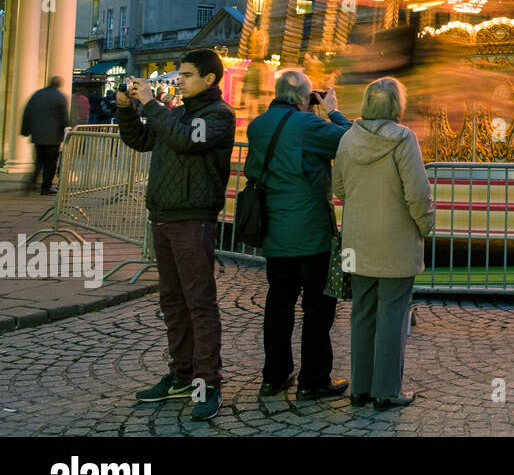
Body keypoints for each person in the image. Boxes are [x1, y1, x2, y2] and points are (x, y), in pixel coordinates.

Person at [120, 49, 235, 423]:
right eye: (179, 75)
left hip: (193, 218)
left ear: (209, 79)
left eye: (186, 75)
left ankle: (208, 383)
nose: (179, 80)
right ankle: (181, 376)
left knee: (198, 301)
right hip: (164, 216)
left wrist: (152, 104)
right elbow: (141, 140)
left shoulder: (217, 116)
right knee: (172, 301)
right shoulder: (179, 112)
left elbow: (186, 140)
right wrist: (126, 109)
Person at [245, 69, 352, 401]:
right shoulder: (309, 125)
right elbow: (351, 140)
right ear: (306, 97)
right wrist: (332, 109)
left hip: (275, 232)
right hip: (310, 234)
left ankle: (274, 375)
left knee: (279, 304)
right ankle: (314, 379)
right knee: (318, 308)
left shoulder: (257, 125)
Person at [333, 77, 432, 410]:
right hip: (396, 240)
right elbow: (417, 193)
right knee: (393, 313)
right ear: (395, 106)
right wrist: (426, 225)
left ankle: (360, 387)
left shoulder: (348, 138)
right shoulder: (404, 139)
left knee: (361, 312)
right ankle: (386, 390)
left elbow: (340, 188)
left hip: (357, 241)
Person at [20, 77, 69, 195]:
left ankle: (31, 183)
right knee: (50, 163)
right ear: (59, 85)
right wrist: (66, 133)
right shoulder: (60, 96)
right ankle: (45, 187)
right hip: (53, 137)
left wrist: (25, 130)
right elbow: (63, 117)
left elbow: (27, 112)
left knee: (39, 161)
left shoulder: (38, 94)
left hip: (38, 135)